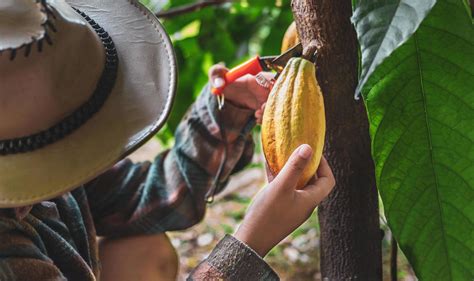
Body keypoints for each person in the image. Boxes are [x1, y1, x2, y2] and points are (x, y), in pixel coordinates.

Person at [0, 1, 335, 281]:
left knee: (144, 253)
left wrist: (227, 112)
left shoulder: (50, 159)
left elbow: (156, 195)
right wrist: (248, 244)